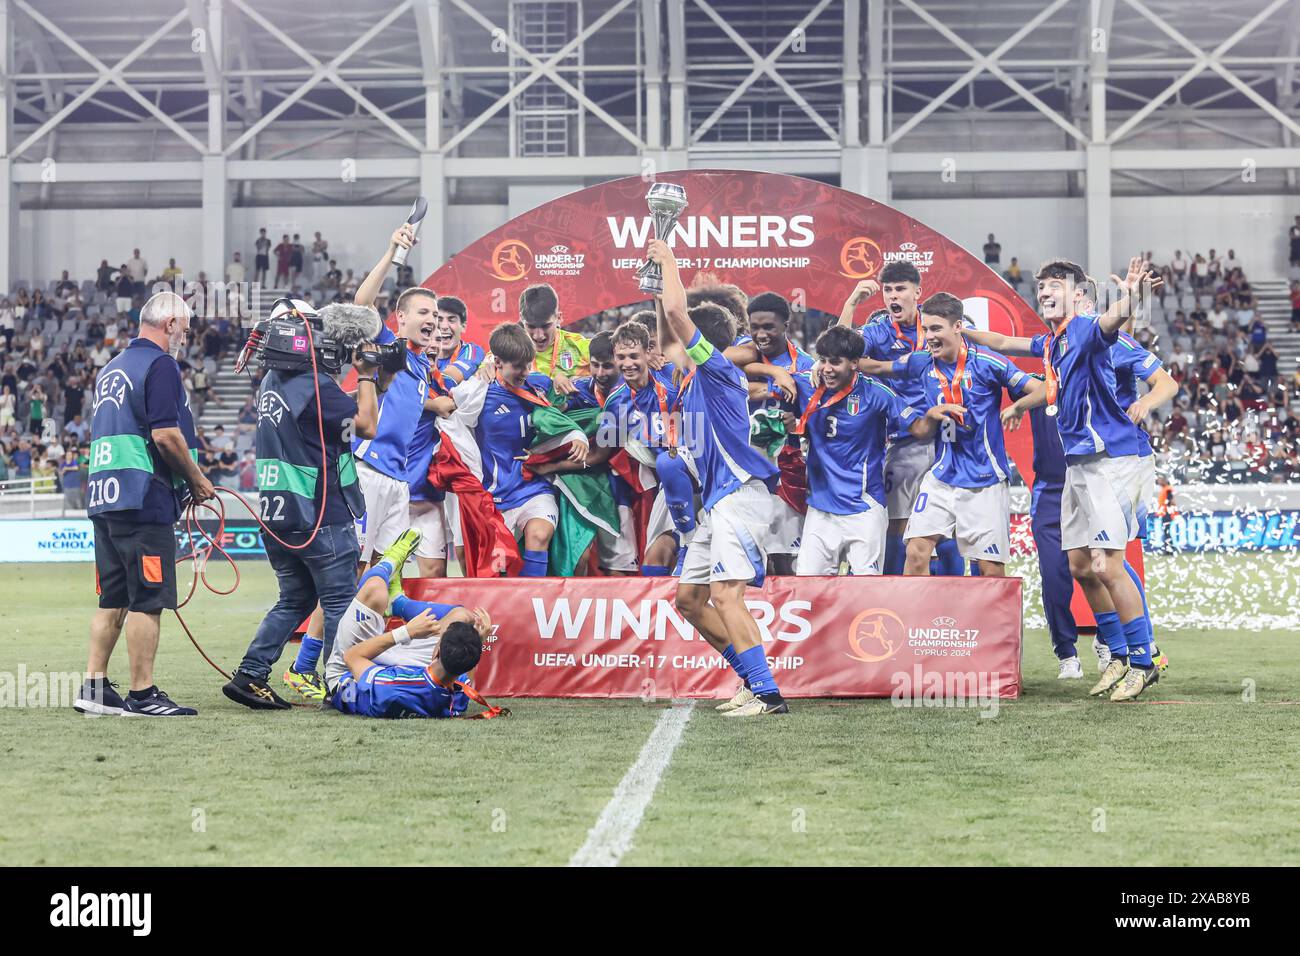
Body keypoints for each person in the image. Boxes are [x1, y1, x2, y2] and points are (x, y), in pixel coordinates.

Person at [965, 257, 1162, 702]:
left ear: (1077, 295)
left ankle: (1143, 662)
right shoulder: (1052, 342)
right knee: (1079, 565)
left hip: (1113, 460)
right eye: (1042, 286)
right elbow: (1001, 340)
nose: (1045, 291)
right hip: (1080, 466)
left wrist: (1131, 294)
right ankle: (1115, 655)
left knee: (1107, 564)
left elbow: (1113, 320)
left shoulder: (1086, 327)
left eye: (1055, 284)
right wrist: (963, 332)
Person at [221, 298, 387, 708]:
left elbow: (327, 420)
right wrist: (366, 376)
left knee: (293, 600)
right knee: (338, 603)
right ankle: (339, 685)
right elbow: (365, 425)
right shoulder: (313, 385)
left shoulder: (272, 382)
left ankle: (251, 674)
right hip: (321, 515)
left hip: (279, 516)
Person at [646, 238, 786, 718]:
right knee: (689, 598)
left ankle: (767, 695)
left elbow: (678, 317)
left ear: (697, 344)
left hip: (740, 498)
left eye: (680, 341)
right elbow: (669, 332)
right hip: (717, 505)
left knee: (727, 596)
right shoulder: (690, 382)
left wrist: (669, 262)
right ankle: (751, 681)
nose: (672, 346)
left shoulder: (718, 369)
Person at [73, 291, 214, 718]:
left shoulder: (111, 369)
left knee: (112, 597)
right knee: (147, 599)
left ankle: (94, 687)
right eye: (184, 330)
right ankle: (142, 694)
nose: (184, 339)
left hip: (104, 497)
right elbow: (165, 436)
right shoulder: (161, 365)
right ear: (169, 323)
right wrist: (196, 478)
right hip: (142, 498)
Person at [864, 292, 1043, 577]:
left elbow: (1043, 389)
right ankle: (915, 621)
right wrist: (832, 365)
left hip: (985, 478)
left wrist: (1019, 406)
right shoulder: (920, 361)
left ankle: (988, 623)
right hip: (942, 475)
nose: (929, 337)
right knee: (916, 551)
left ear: (958, 326)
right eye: (925, 329)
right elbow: (876, 367)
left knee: (989, 570)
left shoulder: (988, 362)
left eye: (936, 329)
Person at [838, 262, 964, 575]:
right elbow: (839, 350)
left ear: (917, 293)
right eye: (889, 290)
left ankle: (956, 605)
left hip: (948, 437)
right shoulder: (879, 330)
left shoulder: (936, 322)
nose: (894, 296)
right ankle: (896, 597)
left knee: (950, 525)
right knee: (898, 524)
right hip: (905, 440)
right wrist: (851, 303)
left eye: (901, 289)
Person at [324, 532, 490, 719]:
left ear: (437, 652)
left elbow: (351, 656)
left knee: (376, 590)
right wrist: (478, 640)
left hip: (351, 670)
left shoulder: (391, 686)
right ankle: (397, 603)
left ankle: (388, 562)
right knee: (463, 616)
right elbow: (467, 675)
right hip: (410, 667)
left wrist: (407, 632)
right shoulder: (459, 695)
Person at [462, 323, 581, 576]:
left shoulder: (538, 384)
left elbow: (564, 405)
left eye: (528, 364)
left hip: (532, 486)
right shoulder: (478, 395)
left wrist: (562, 381)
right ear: (498, 362)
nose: (525, 371)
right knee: (496, 571)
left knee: (539, 535)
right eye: (518, 366)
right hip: (494, 496)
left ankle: (532, 606)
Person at [786, 326, 902, 575]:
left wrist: (936, 415)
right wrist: (774, 371)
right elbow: (747, 374)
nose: (827, 368)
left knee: (866, 595)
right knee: (808, 592)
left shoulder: (877, 394)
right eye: (823, 361)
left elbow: (916, 426)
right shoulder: (806, 384)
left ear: (854, 363)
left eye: (835, 362)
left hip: (864, 508)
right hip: (820, 509)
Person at [519, 283, 590, 393]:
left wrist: (577, 382)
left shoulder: (580, 347)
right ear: (521, 319)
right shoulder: (509, 350)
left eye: (545, 326)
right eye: (531, 326)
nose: (538, 336)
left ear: (559, 317)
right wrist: (485, 367)